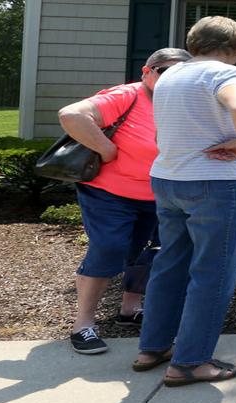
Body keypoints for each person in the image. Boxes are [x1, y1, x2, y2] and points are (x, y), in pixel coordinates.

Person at [134, 16, 236, 385]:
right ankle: (190, 362)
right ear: (232, 50)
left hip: (168, 179)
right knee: (213, 272)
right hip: (214, 183)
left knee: (170, 263)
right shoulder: (225, 74)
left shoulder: (170, 74)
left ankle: (152, 346)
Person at [58, 47, 192, 356]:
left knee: (151, 252)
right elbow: (72, 115)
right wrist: (106, 150)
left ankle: (130, 309)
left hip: (161, 194)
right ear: (147, 72)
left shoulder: (182, 103)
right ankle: (83, 325)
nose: (172, 78)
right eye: (164, 71)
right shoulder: (127, 95)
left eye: (181, 73)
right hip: (109, 194)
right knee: (109, 249)